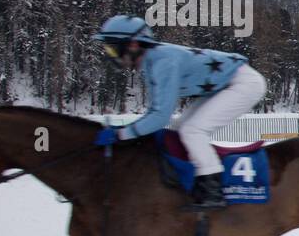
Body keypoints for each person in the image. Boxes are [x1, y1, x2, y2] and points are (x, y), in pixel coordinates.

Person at [92, 15, 267, 208]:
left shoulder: (161, 62)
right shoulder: (151, 61)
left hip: (245, 83)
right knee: (178, 128)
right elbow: (156, 112)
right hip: (225, 84)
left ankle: (212, 189)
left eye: (112, 48)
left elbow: (159, 117)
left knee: (192, 130)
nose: (110, 55)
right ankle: (184, 178)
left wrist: (120, 134)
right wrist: (125, 130)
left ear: (133, 45)